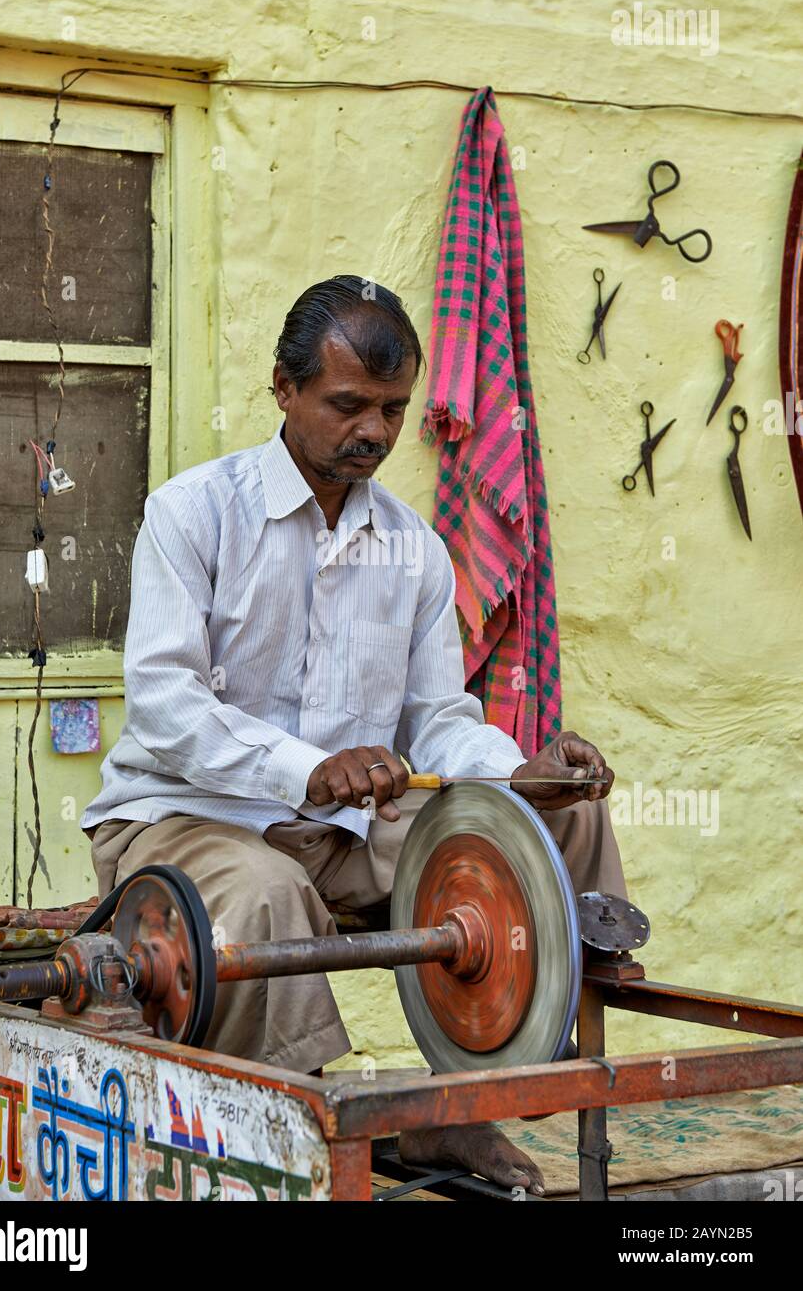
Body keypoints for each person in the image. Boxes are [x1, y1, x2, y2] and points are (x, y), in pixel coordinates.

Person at [81, 275, 626, 1196]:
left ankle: (459, 1115)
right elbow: (166, 706)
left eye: (392, 409)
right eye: (347, 405)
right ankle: (293, 1137)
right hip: (182, 821)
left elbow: (437, 717)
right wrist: (306, 767)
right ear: (283, 389)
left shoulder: (412, 546)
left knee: (553, 819)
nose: (372, 430)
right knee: (263, 897)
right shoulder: (192, 514)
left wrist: (517, 770)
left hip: (343, 840)